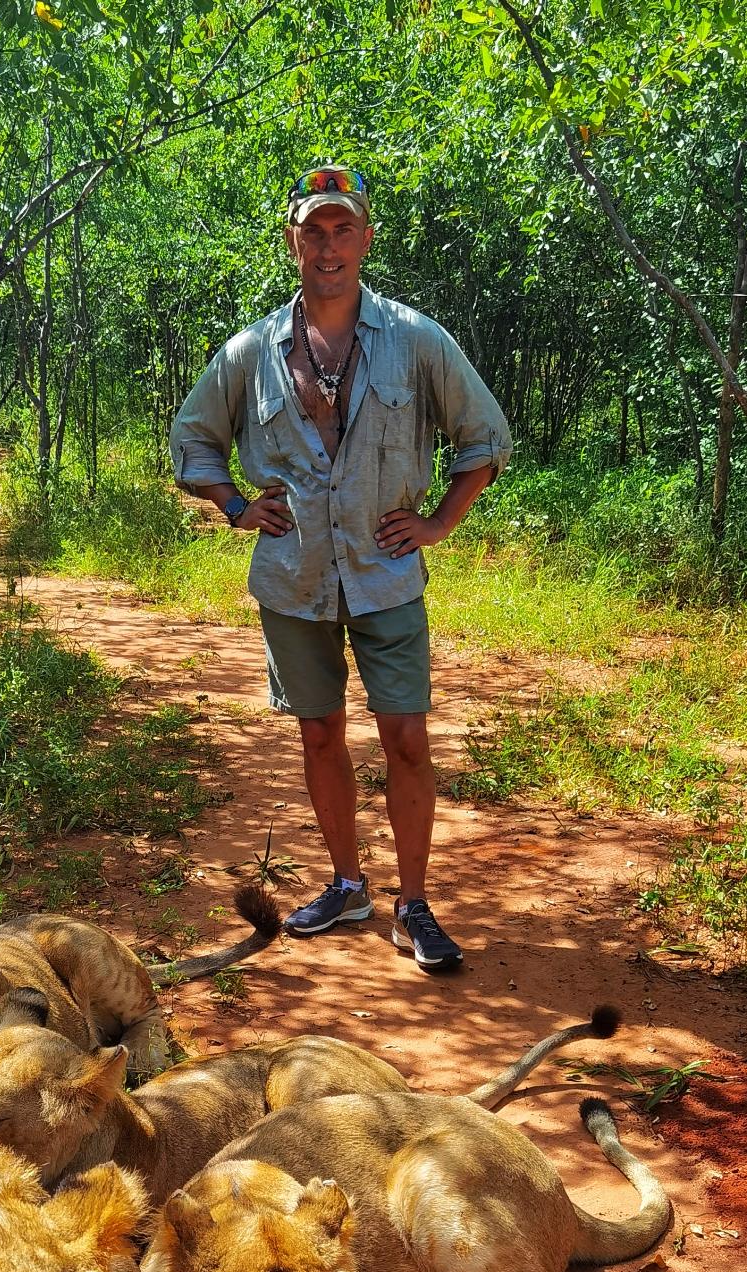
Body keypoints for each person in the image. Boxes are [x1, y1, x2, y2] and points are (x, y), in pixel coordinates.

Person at [168, 166, 511, 973]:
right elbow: (192, 442)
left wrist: (438, 522)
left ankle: (415, 905)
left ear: (365, 238)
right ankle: (347, 884)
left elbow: (483, 439)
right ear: (292, 242)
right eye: (313, 231)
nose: (329, 247)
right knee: (319, 731)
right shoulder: (252, 351)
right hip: (293, 581)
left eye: (343, 229)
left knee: (406, 738)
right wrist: (235, 506)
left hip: (386, 572)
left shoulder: (416, 339)